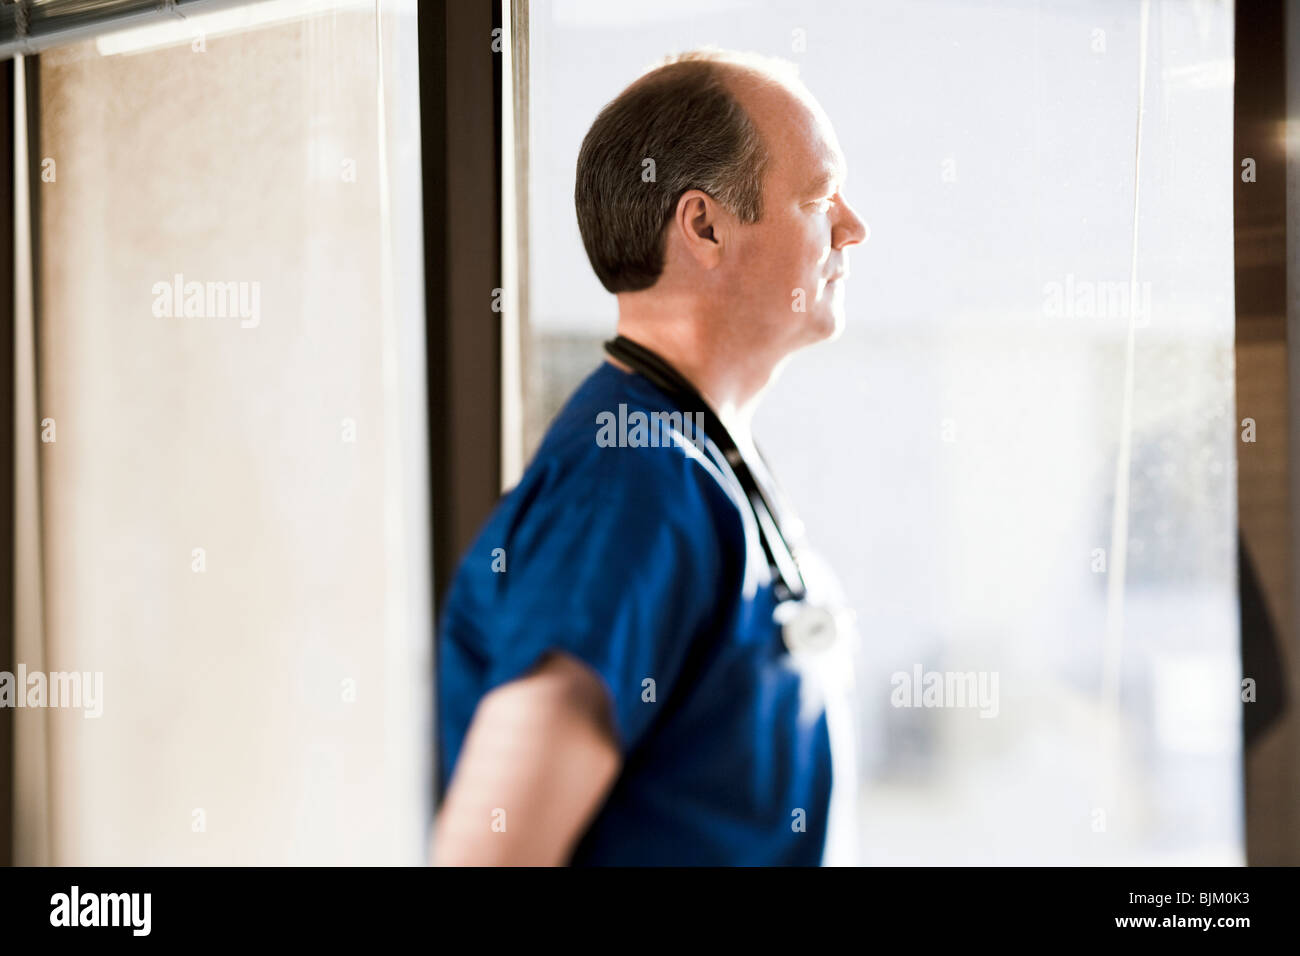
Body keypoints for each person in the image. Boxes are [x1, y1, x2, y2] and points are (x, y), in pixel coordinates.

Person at [431, 48, 867, 866]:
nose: (853, 227)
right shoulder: (630, 484)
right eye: (818, 199)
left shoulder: (697, 461)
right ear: (704, 226)